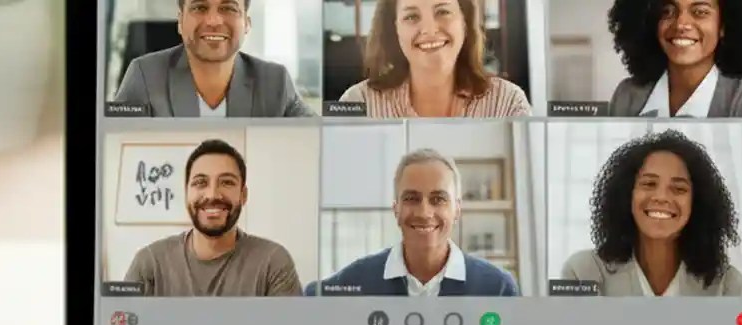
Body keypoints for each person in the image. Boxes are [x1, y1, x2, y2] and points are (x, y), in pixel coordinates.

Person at [561, 129, 742, 297]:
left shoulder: (728, 286)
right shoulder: (581, 272)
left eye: (678, 188)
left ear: (698, 202)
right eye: (649, 184)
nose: (661, 197)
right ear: (627, 194)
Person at [309, 149, 519, 297]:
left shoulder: (498, 288)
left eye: (438, 199)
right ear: (396, 209)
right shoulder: (355, 280)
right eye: (411, 198)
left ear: (457, 210)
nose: (425, 212)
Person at [124, 140, 303, 297]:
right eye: (200, 183)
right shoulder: (149, 263)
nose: (212, 195)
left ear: (243, 195)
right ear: (186, 193)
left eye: (226, 182)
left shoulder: (273, 262)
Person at [113, 0, 315, 118]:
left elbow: (322, 139)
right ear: (180, 22)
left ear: (246, 23)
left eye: (228, 8)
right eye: (200, 7)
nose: (213, 21)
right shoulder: (144, 75)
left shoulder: (275, 81)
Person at [339, 0, 531, 118]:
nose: (430, 30)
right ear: (394, 29)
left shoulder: (508, 102)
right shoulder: (358, 103)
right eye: (412, 17)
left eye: (443, 12)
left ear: (465, 21)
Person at [606, 0, 742, 118]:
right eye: (667, 11)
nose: (680, 24)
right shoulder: (627, 96)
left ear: (723, 25)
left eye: (700, 12)